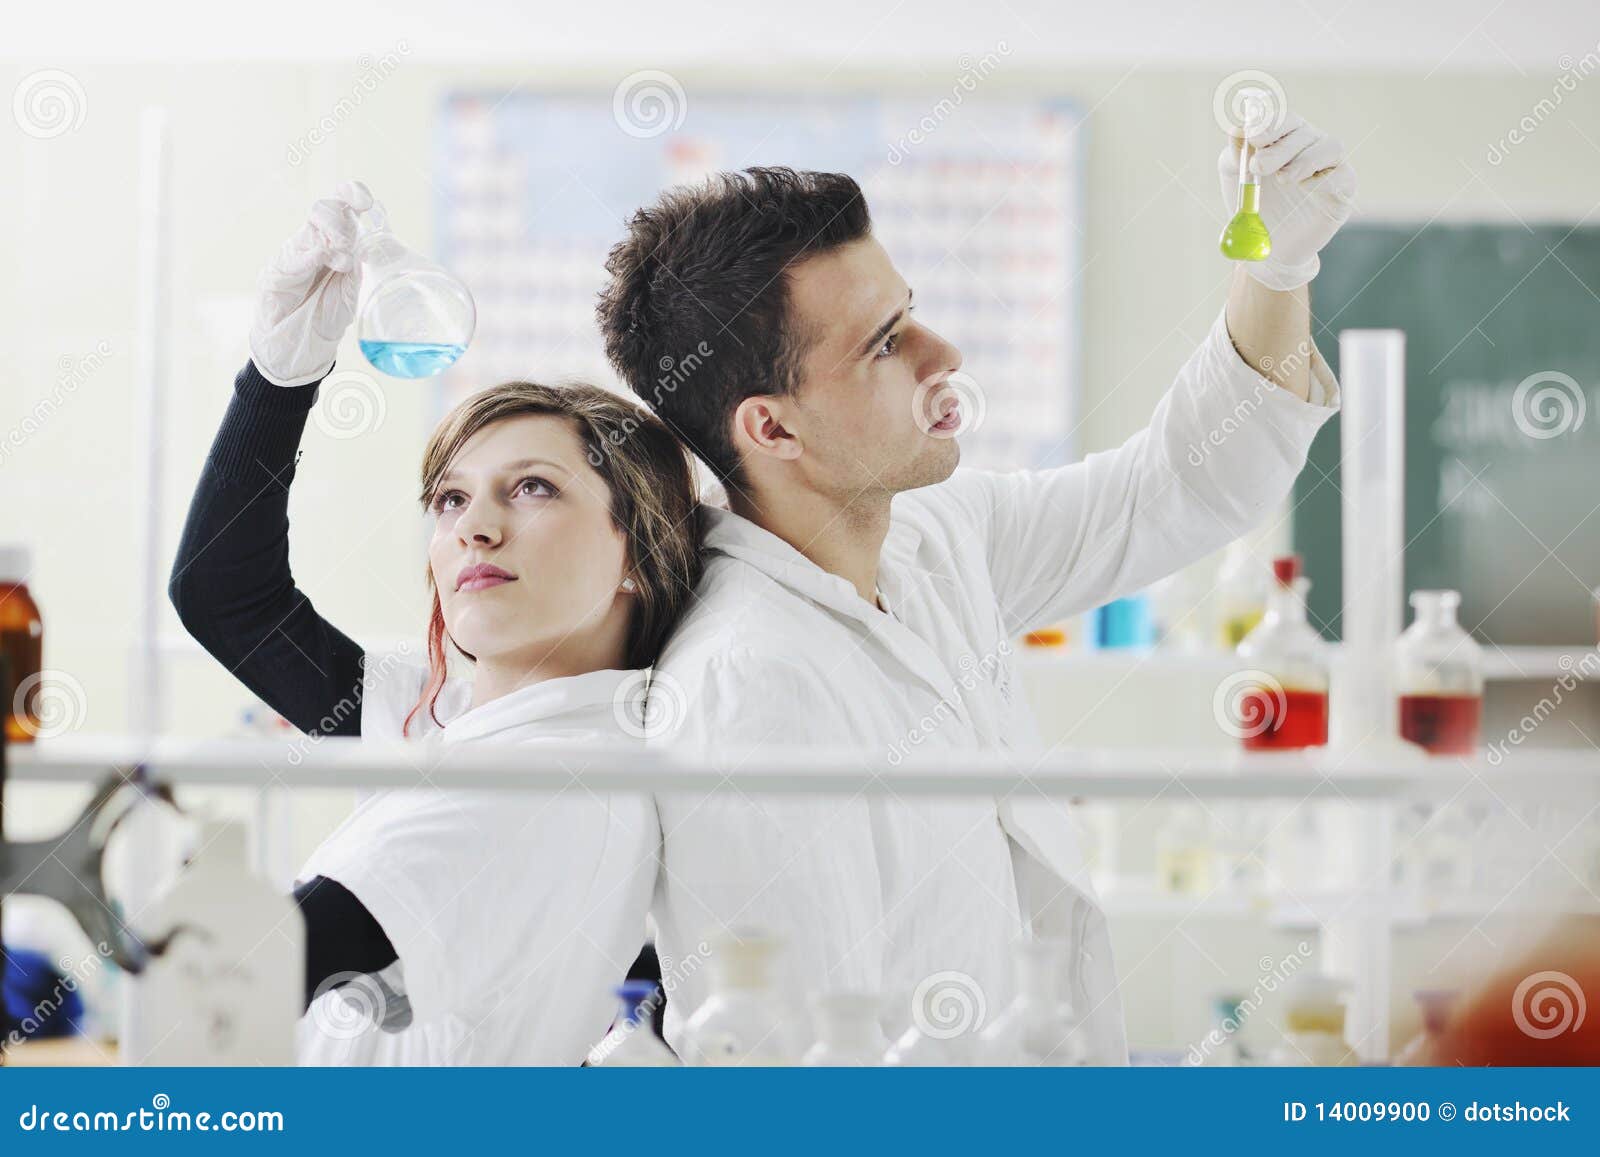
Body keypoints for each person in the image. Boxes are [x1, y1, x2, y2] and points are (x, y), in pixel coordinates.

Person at [593, 111, 1352, 1059]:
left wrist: (1275, 271)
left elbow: (1183, 485)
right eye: (886, 341)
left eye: (910, 311)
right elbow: (800, 1062)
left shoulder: (934, 540)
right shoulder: (749, 689)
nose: (941, 353)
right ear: (773, 430)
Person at [169, 182, 702, 1063]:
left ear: (638, 553)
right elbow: (227, 597)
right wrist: (278, 374)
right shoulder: (446, 713)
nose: (474, 527)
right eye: (451, 498)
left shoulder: (548, 775)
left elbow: (261, 966)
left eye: (533, 487)